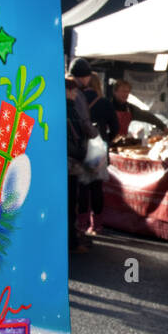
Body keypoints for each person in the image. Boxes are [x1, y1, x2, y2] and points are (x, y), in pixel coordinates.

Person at [77, 73, 120, 236]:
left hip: (81, 146)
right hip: (98, 147)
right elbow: (116, 127)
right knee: (96, 187)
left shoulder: (77, 99)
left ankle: (81, 224)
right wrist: (106, 139)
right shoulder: (104, 103)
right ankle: (97, 225)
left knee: (82, 187)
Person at [65, 76, 91, 255]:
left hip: (71, 160)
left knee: (71, 202)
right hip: (69, 162)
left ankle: (72, 240)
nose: (75, 94)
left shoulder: (70, 108)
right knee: (69, 202)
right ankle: (71, 242)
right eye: (72, 91)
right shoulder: (67, 110)